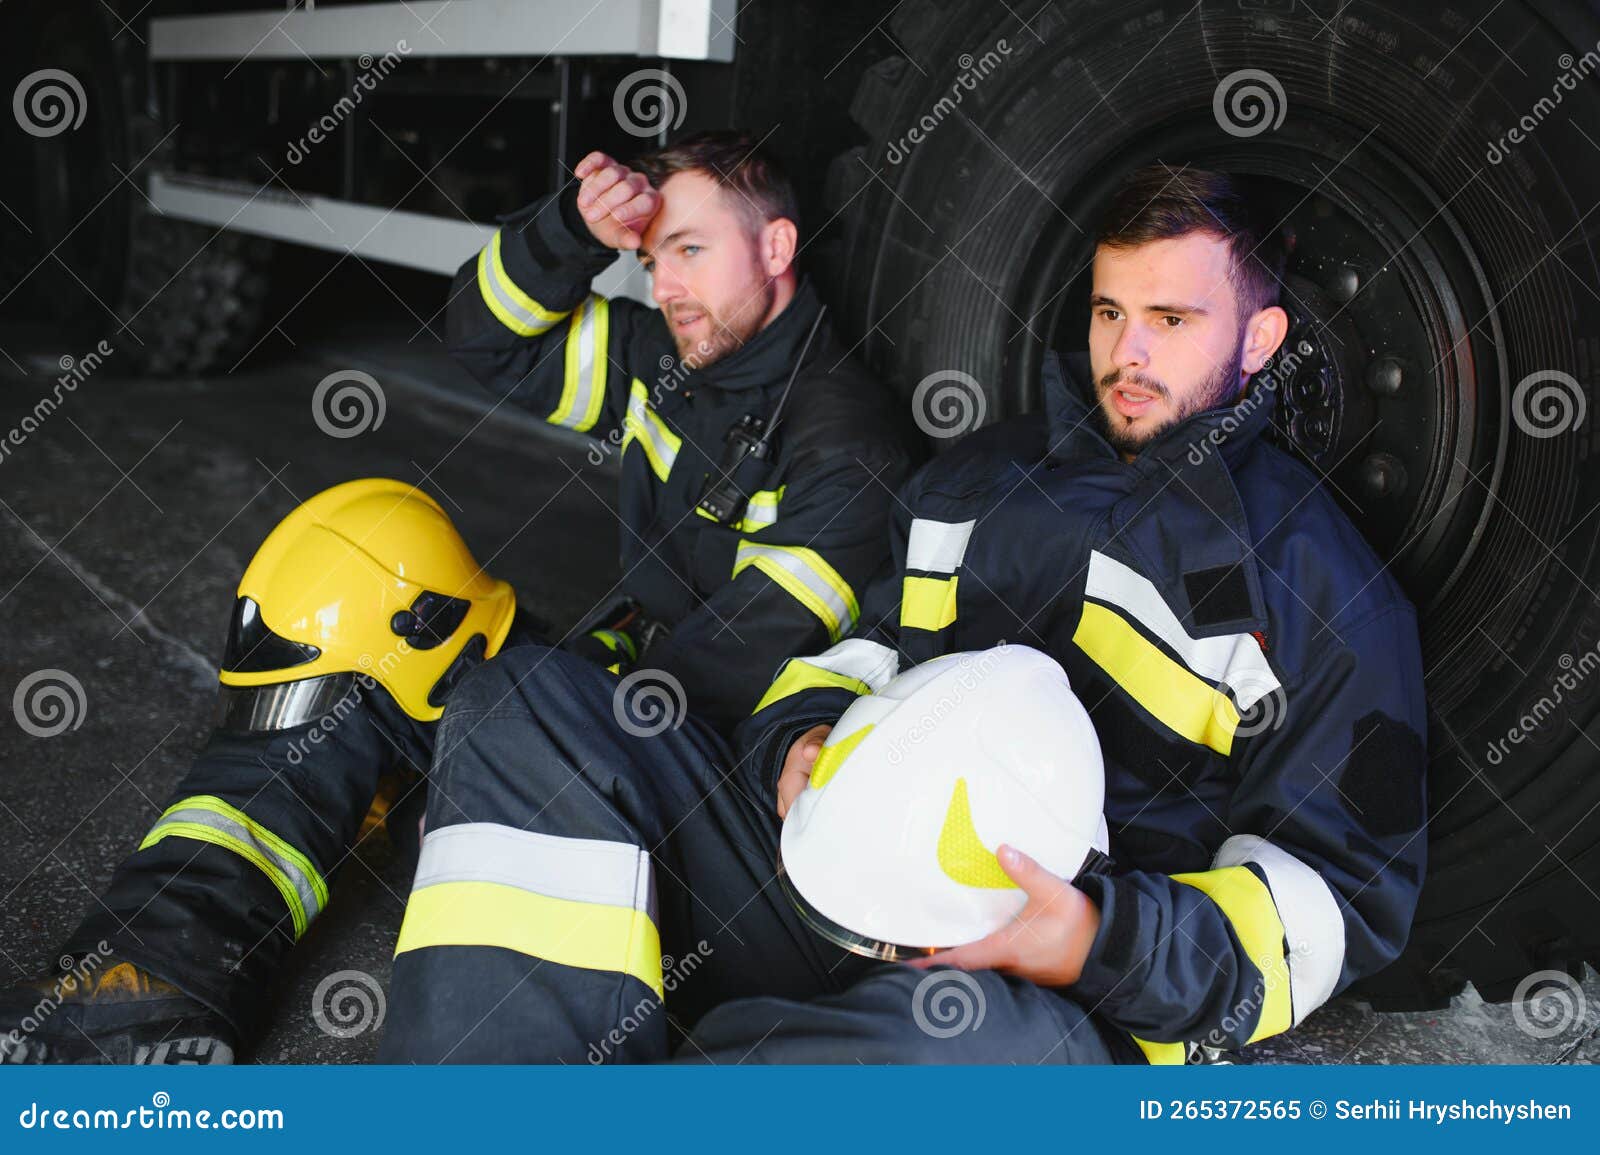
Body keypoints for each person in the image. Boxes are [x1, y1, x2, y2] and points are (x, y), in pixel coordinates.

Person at [377, 164, 1428, 1064]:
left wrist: (1095, 942)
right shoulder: (979, 476)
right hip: (821, 862)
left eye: (1171, 319)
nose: (1128, 354)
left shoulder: (1323, 592)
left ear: (1260, 339)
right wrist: (796, 735)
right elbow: (862, 644)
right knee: (528, 697)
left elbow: (1332, 903)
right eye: (1110, 313)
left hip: (1030, 988)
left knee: (973, 1070)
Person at [0, 131, 917, 1064]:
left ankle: (433, 794)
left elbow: (710, 684)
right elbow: (484, 339)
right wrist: (570, 229)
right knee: (363, 565)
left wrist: (512, 711)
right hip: (622, 701)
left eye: (689, 251)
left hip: (710, 784)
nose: (666, 286)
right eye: (651, 260)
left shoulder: (846, 449)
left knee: (502, 695)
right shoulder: (672, 360)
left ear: (775, 249)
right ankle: (148, 975)